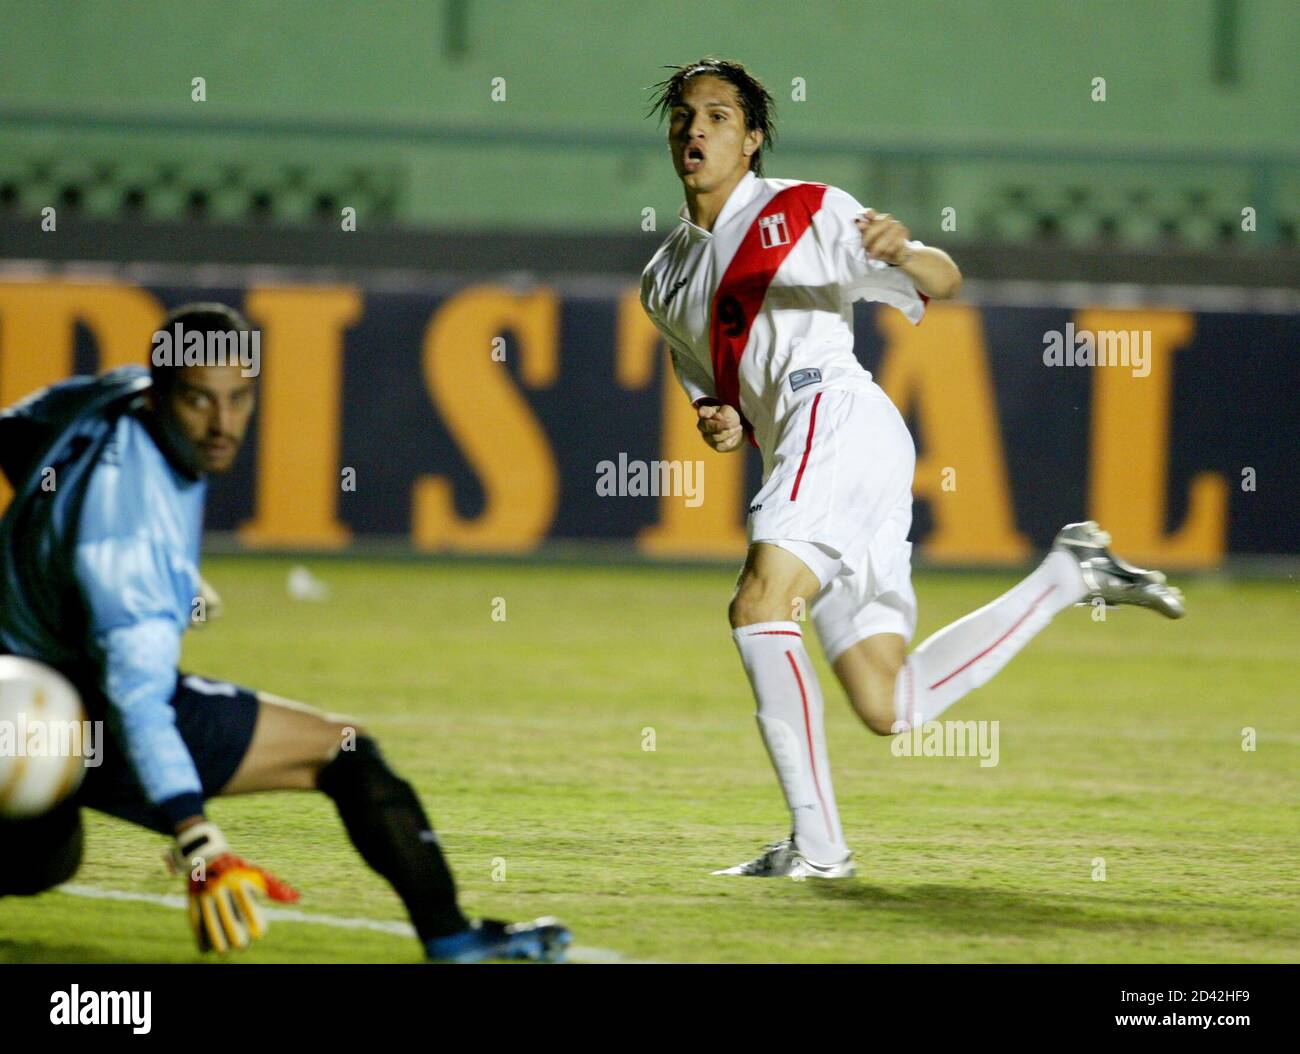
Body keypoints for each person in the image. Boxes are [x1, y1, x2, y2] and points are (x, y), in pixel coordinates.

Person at [640, 58, 1184, 878]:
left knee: (760, 604)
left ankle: (819, 851)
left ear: (752, 140)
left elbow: (944, 279)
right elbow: (721, 407)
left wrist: (903, 250)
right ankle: (1068, 576)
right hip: (810, 447)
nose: (697, 129)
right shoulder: (663, 278)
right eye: (685, 114)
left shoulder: (804, 210)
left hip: (840, 418)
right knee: (888, 704)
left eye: (720, 116)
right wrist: (720, 421)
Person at [0, 302, 570, 961]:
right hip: (78, 704)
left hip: (22, 682)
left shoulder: (110, 393)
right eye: (198, 402)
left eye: (239, 398)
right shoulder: (132, 546)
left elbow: (14, 436)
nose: (223, 425)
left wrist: (59, 547)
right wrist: (197, 838)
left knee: (44, 861)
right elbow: (138, 702)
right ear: (159, 397)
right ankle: (455, 941)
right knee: (348, 754)